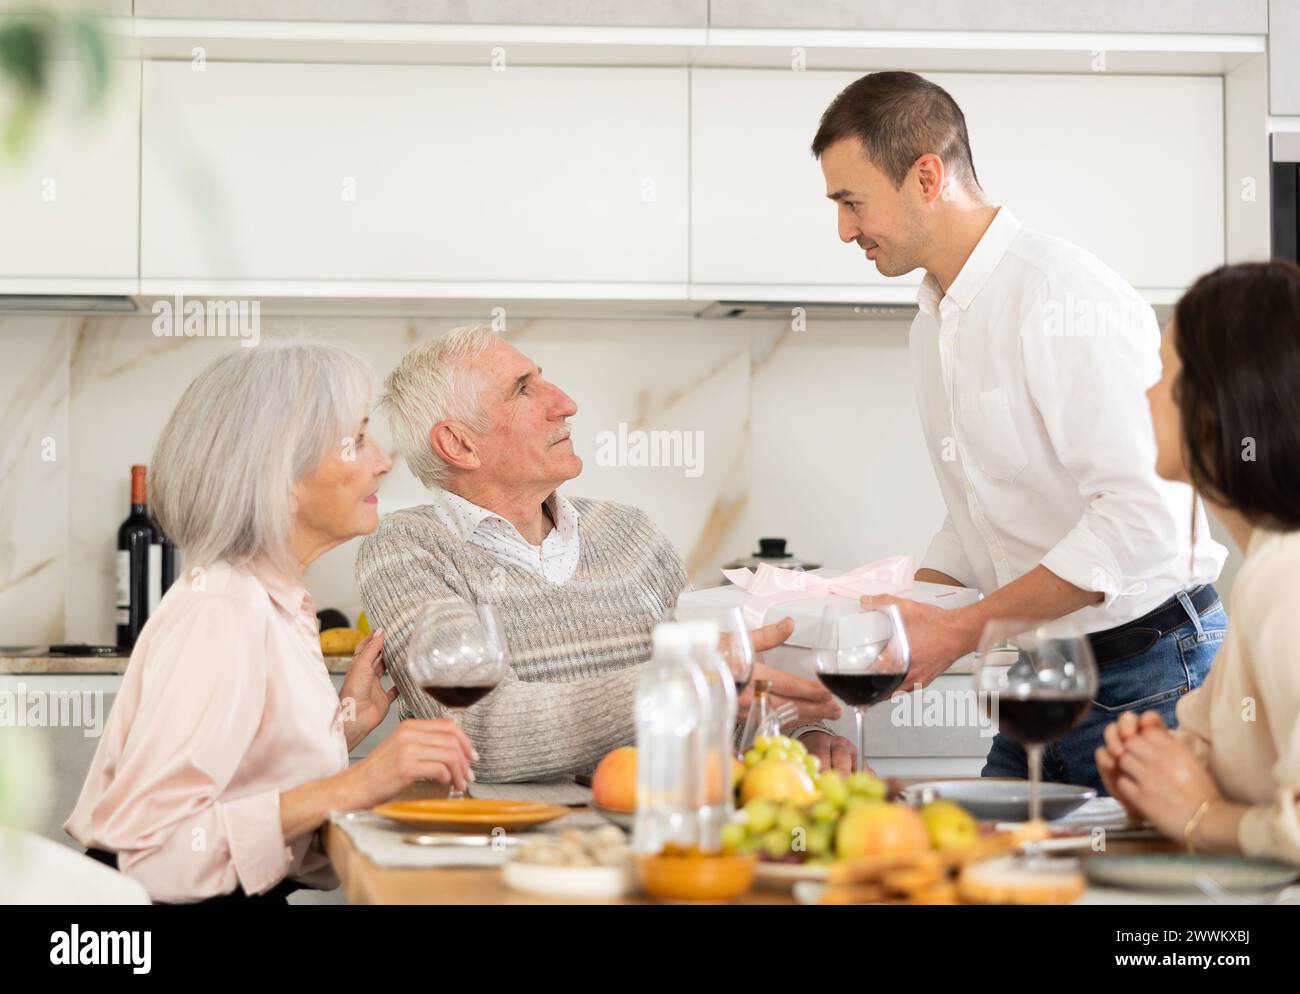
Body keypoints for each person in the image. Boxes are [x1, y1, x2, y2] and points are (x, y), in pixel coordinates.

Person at [811, 71, 1227, 792]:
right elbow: (980, 514)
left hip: (1155, 670)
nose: (844, 229)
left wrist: (965, 627)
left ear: (927, 176)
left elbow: (1141, 520)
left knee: (1147, 897)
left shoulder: (1063, 297)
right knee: (987, 869)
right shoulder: (931, 325)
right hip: (1048, 675)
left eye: (852, 202)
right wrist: (899, 629)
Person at [66, 341, 475, 904]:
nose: (383, 459)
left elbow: (243, 771)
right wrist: (360, 782)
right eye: (355, 440)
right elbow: (155, 855)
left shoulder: (272, 601)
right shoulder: (224, 612)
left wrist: (345, 724)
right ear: (278, 477)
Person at [357, 325, 857, 781]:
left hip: (665, 838)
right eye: (522, 389)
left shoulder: (631, 533)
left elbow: (713, 710)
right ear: (459, 444)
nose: (566, 403)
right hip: (508, 857)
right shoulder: (407, 550)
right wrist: (672, 684)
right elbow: (476, 734)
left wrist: (792, 739)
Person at [1095, 261, 1300, 863]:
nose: (1148, 392)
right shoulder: (1267, 567)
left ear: (1215, 404)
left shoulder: (1284, 576)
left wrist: (1199, 816)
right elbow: (1230, 768)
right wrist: (1158, 775)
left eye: (1165, 372)